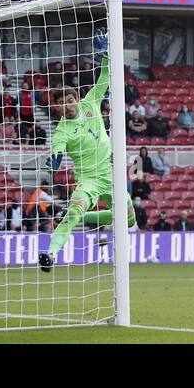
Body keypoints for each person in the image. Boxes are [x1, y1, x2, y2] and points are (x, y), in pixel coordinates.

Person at [39, 53, 137, 272]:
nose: (68, 105)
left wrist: (104, 56)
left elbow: (105, 77)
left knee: (128, 220)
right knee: (74, 212)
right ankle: (51, 254)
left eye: (70, 100)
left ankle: (82, 213)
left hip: (112, 174)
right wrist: (55, 161)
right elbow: (57, 151)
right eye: (62, 103)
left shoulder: (90, 101)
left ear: (76, 99)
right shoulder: (61, 132)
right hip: (88, 180)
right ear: (56, 108)